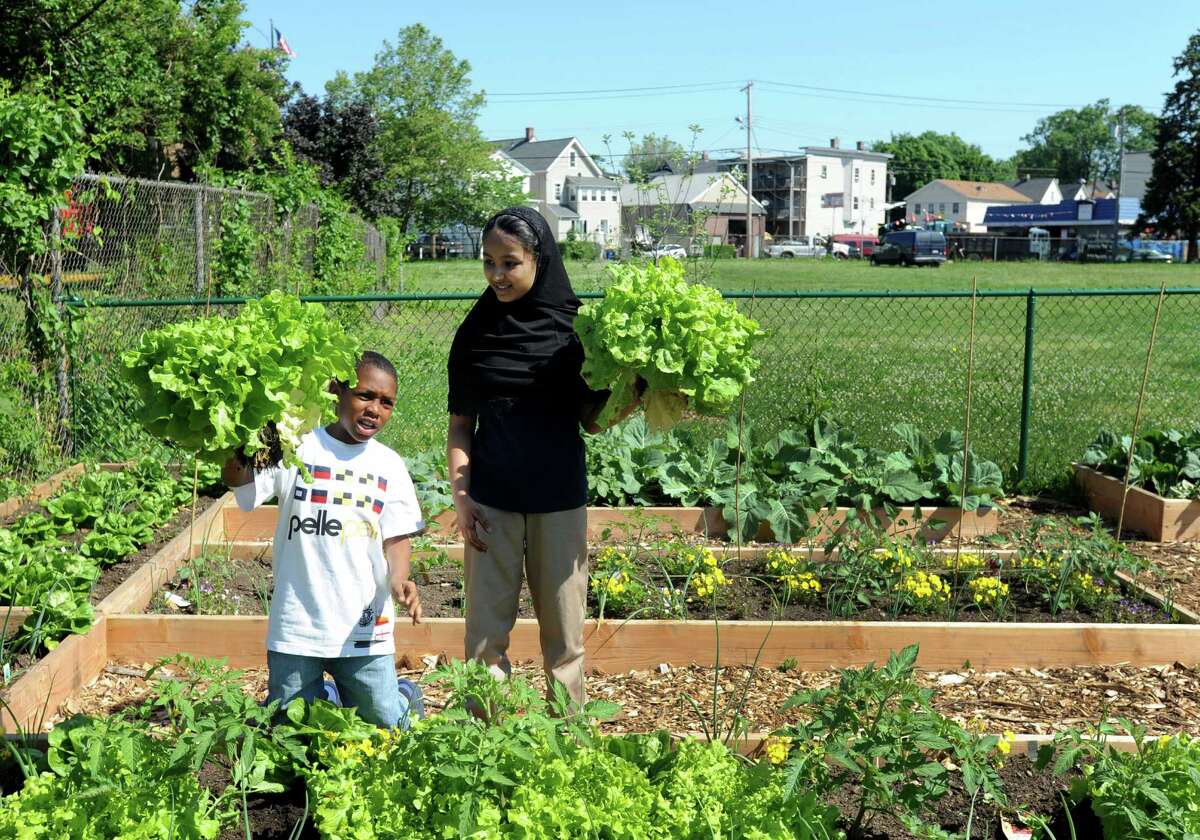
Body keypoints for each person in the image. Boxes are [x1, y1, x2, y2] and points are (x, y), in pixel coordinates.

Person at [447, 207, 637, 707]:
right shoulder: (474, 335)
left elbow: (591, 421)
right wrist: (462, 498)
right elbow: (461, 425)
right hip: (492, 504)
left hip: (558, 503)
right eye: (488, 262)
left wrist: (634, 396)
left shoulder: (573, 333)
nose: (496, 275)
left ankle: (567, 752)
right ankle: (482, 751)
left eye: (509, 263)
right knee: (485, 644)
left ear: (539, 259)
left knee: (566, 644)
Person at [221, 350, 425, 728]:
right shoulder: (295, 446)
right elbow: (237, 480)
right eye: (365, 395)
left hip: (363, 624)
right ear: (337, 392)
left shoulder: (389, 465)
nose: (375, 409)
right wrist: (239, 433)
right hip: (298, 621)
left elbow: (396, 537)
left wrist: (399, 577)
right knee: (289, 726)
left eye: (386, 402)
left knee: (385, 724)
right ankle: (323, 696)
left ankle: (405, 696)